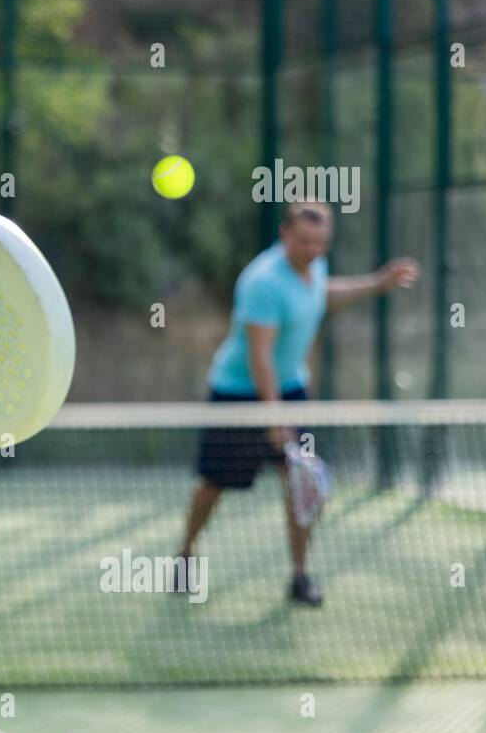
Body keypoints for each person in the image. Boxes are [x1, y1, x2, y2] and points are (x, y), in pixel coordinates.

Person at [178, 203, 419, 606]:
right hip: (238, 394)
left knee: (301, 481)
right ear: (285, 234)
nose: (313, 249)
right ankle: (185, 555)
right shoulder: (262, 282)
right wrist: (274, 417)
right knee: (215, 483)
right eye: (305, 241)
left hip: (291, 388)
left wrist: (378, 283)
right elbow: (260, 355)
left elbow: (321, 295)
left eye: (321, 243)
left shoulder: (314, 265)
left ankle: (300, 576)